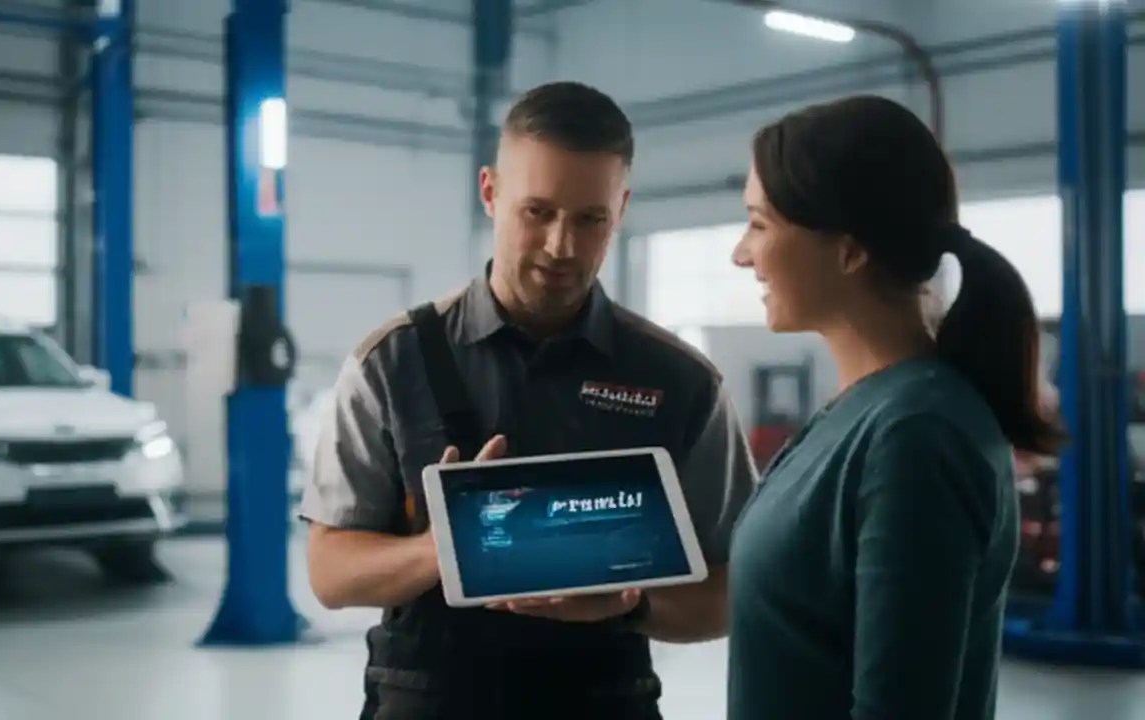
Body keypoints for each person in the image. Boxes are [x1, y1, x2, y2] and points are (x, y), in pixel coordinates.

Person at [300, 81, 758, 720]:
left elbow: (735, 588)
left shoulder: (680, 383)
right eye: (537, 212)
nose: (561, 247)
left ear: (620, 209)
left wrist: (632, 604)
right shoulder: (392, 362)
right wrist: (451, 546)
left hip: (602, 701)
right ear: (490, 192)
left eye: (589, 218)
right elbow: (329, 571)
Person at [725, 94, 1065, 720]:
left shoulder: (916, 434)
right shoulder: (863, 410)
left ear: (850, 251)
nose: (741, 253)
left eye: (760, 224)